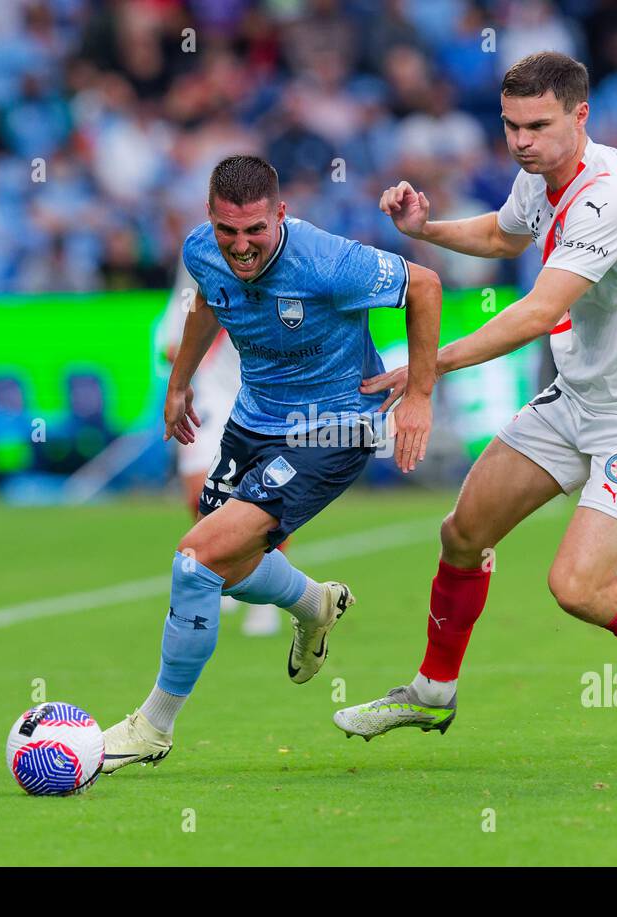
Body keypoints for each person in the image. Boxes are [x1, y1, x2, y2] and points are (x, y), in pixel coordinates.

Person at [334, 52, 617, 759]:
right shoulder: (540, 178)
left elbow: (538, 311)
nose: (521, 141)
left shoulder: (612, 193)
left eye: (537, 125)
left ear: (580, 116)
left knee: (577, 586)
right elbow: (501, 235)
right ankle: (433, 691)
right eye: (510, 125)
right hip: (577, 397)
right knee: (463, 533)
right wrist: (427, 229)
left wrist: (428, 366)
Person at [101, 156, 441, 772]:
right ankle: (313, 602)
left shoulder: (327, 260)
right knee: (224, 571)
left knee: (196, 560)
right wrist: (178, 386)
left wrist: (418, 394)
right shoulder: (204, 250)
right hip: (253, 420)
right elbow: (206, 305)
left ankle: (152, 727)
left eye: (255, 229)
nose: (241, 244)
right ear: (211, 219)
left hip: (335, 425)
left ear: (279, 214)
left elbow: (425, 286)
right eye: (229, 231)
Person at [161, 257, 285, 636]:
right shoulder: (196, 279)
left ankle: (266, 601)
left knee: (266, 497)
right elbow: (168, 342)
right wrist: (184, 372)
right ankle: (223, 571)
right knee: (200, 491)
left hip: (261, 395)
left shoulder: (281, 276)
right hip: (211, 395)